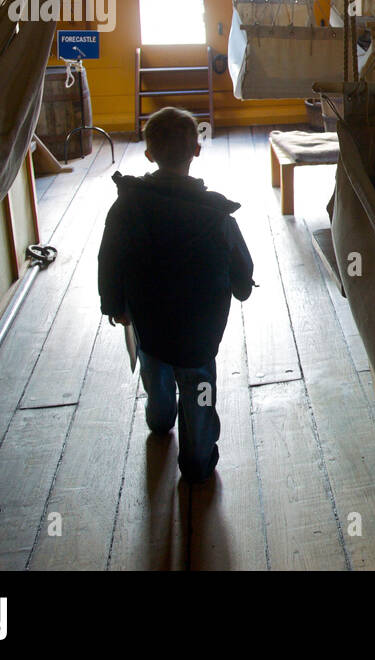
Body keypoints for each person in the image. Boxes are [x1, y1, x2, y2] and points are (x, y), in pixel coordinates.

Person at [97, 107, 254, 483]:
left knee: (157, 371)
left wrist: (115, 305)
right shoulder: (215, 214)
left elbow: (109, 258)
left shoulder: (128, 206)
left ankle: (160, 418)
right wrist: (242, 287)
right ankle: (198, 460)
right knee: (199, 391)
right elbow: (241, 265)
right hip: (199, 332)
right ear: (196, 150)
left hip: (149, 320)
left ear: (149, 154)